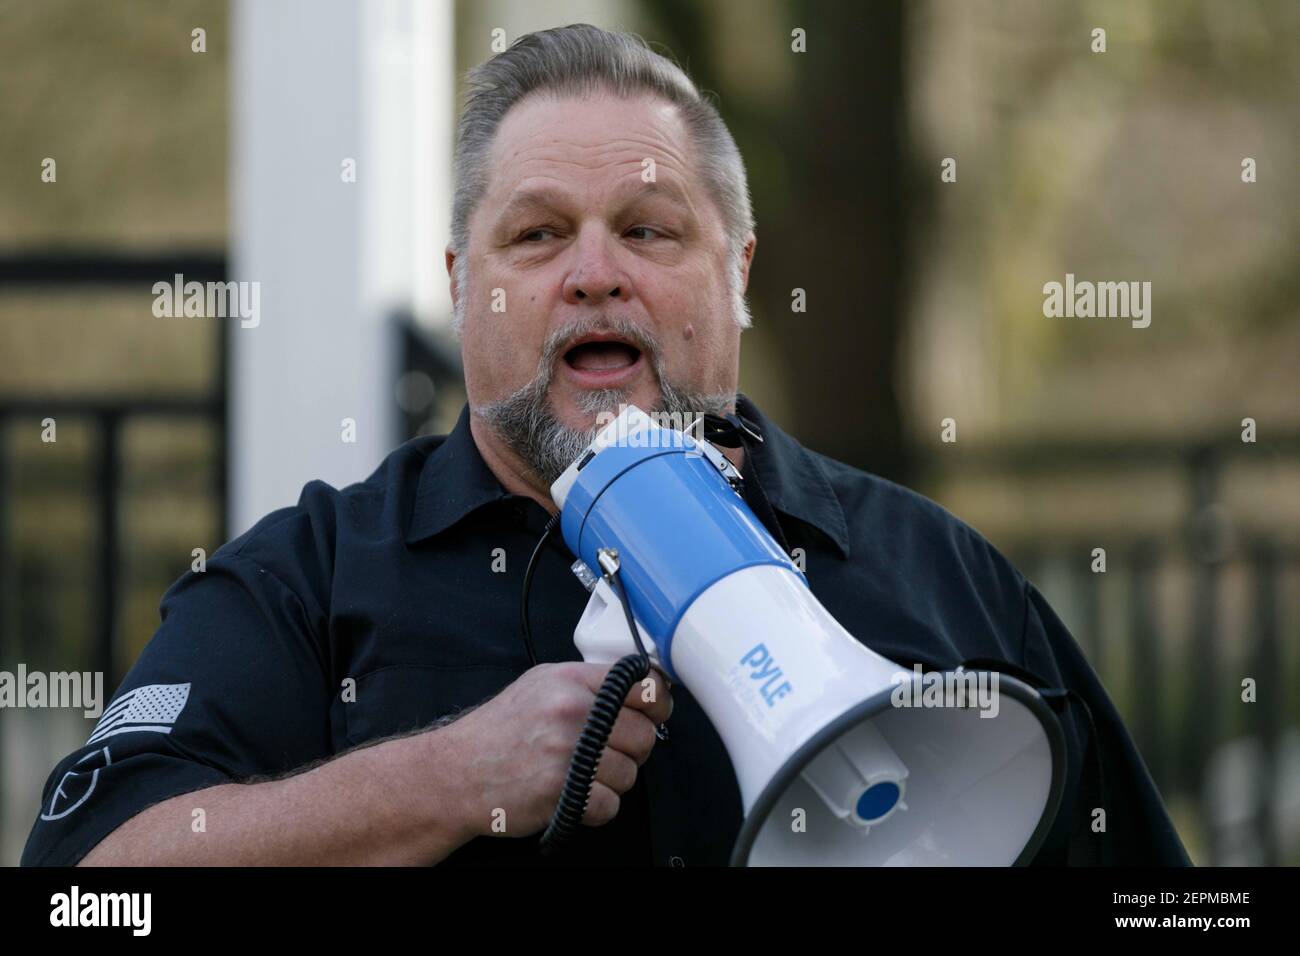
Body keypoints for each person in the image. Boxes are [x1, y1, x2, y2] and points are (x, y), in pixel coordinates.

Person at [23, 23, 1188, 867]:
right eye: (535, 236)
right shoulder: (304, 580)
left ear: (733, 276)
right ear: (462, 286)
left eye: (647, 228)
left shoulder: (938, 574)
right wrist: (447, 779)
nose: (594, 271)